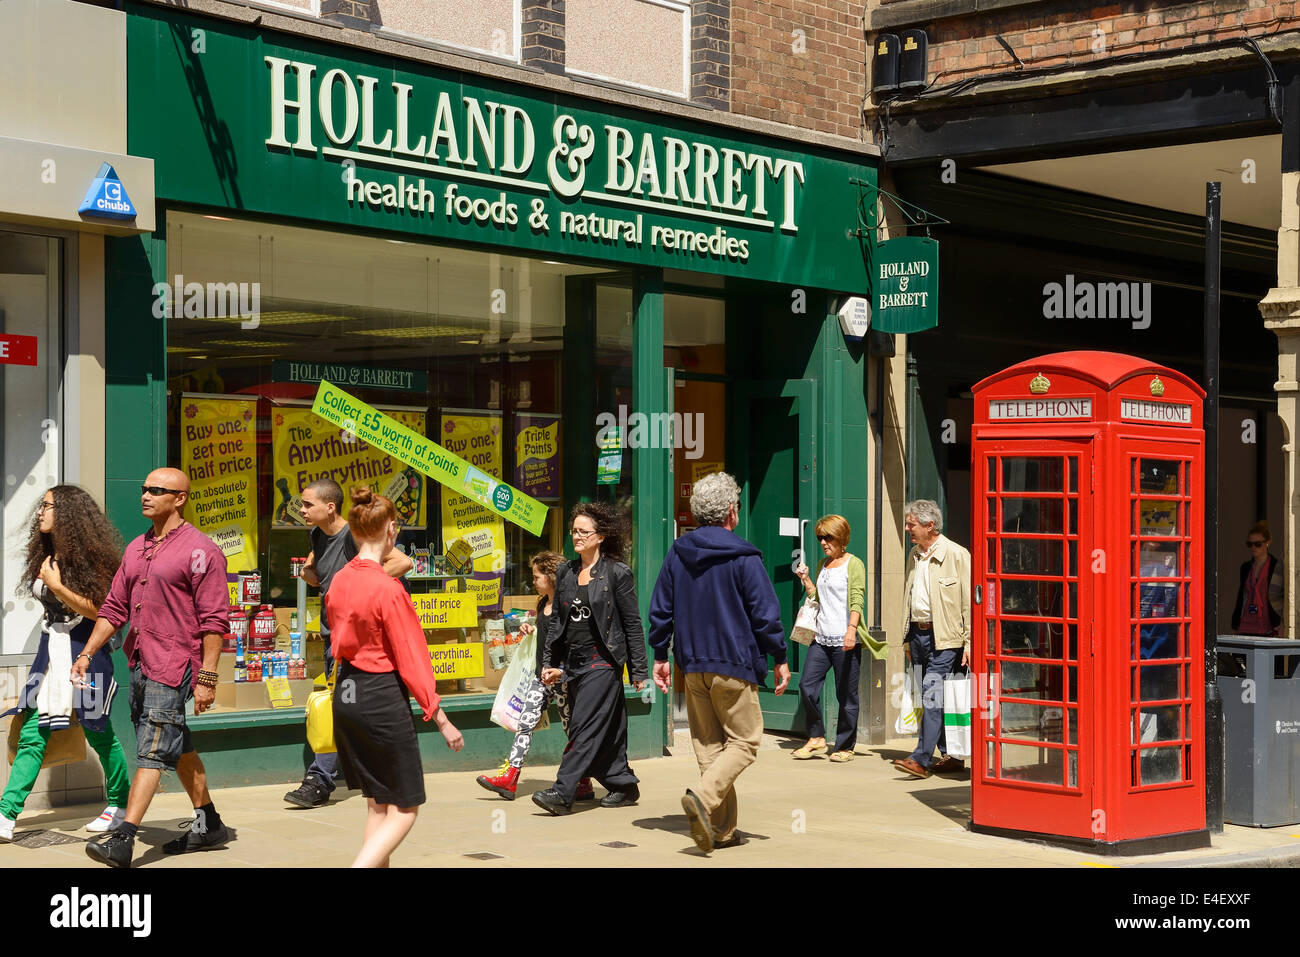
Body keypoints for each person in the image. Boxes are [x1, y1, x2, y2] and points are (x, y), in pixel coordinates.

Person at [76, 468, 230, 868]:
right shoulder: (136, 547)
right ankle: (209, 823)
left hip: (175, 665)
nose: (145, 495)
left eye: (156, 490)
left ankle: (124, 837)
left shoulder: (202, 552)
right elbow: (114, 608)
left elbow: (214, 622)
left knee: (152, 750)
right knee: (177, 745)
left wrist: (208, 678)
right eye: (144, 488)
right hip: (142, 661)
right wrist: (88, 652)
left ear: (179, 499)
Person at [649, 472, 790, 854]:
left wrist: (660, 655)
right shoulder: (744, 555)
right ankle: (702, 795)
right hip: (734, 663)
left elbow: (660, 609)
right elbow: (765, 614)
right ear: (731, 511)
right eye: (739, 506)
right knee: (744, 742)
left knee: (710, 746)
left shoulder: (678, 553)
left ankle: (722, 831)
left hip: (693, 665)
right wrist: (779, 655)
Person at [325, 486, 463, 867]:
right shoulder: (388, 589)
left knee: (378, 805)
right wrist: (441, 718)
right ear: (391, 532)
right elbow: (412, 658)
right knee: (405, 807)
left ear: (353, 531)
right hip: (380, 695)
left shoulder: (339, 582)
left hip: (347, 693)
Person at [0, 486, 131, 842]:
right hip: (50, 657)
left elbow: (106, 613)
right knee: (32, 733)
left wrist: (57, 587)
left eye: (47, 506)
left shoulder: (89, 561)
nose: (39, 512)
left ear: (69, 514)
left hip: (87, 656)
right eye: (41, 505)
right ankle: (6, 813)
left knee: (97, 730)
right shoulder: (47, 555)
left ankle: (120, 802)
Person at [284, 477, 412, 809]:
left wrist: (361, 590)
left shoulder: (351, 536)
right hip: (335, 638)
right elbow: (317, 569)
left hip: (362, 642)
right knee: (344, 709)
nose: (302, 510)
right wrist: (310, 573)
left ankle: (319, 780)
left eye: (307, 504)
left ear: (330, 507)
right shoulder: (317, 534)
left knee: (340, 709)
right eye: (301, 503)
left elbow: (401, 562)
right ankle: (371, 770)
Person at [532, 502, 648, 815]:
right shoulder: (567, 572)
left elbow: (632, 624)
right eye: (574, 531)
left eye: (584, 532)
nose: (577, 536)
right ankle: (623, 785)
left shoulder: (616, 573)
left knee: (583, 725)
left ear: (600, 537)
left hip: (604, 661)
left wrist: (639, 670)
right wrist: (550, 664)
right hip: (574, 662)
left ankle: (562, 791)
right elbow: (557, 623)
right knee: (605, 728)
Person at [475, 551, 594, 801]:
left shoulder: (569, 604)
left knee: (570, 728)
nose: (533, 581)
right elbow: (547, 632)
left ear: (551, 577)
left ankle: (583, 780)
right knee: (524, 725)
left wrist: (563, 671)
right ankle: (510, 777)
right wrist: (533, 628)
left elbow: (574, 640)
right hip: (540, 677)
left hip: (561, 678)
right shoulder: (543, 603)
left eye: (537, 576)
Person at [893, 499, 971, 780]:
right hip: (918, 634)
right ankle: (950, 754)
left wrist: (969, 643)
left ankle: (920, 759)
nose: (906, 529)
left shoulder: (957, 554)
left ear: (930, 525)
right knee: (933, 697)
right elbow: (908, 598)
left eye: (911, 524)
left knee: (932, 693)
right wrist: (905, 639)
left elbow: (968, 602)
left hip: (946, 638)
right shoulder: (914, 554)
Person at [792, 514, 874, 763]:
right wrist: (806, 580)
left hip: (845, 637)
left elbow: (857, 597)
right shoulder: (821, 565)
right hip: (822, 637)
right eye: (820, 538)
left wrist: (852, 628)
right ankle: (816, 737)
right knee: (807, 686)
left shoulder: (854, 564)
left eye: (828, 537)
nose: (824, 542)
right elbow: (819, 599)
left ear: (841, 538)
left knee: (846, 695)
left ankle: (845, 745)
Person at [1231, 520, 1284, 637]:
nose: (1253, 547)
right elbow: (1242, 596)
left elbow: (1281, 595)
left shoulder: (1275, 566)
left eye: (1258, 544)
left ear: (1268, 543)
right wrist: (1235, 624)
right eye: (1250, 544)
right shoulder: (1245, 567)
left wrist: (1282, 622)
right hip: (1247, 623)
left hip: (1269, 624)